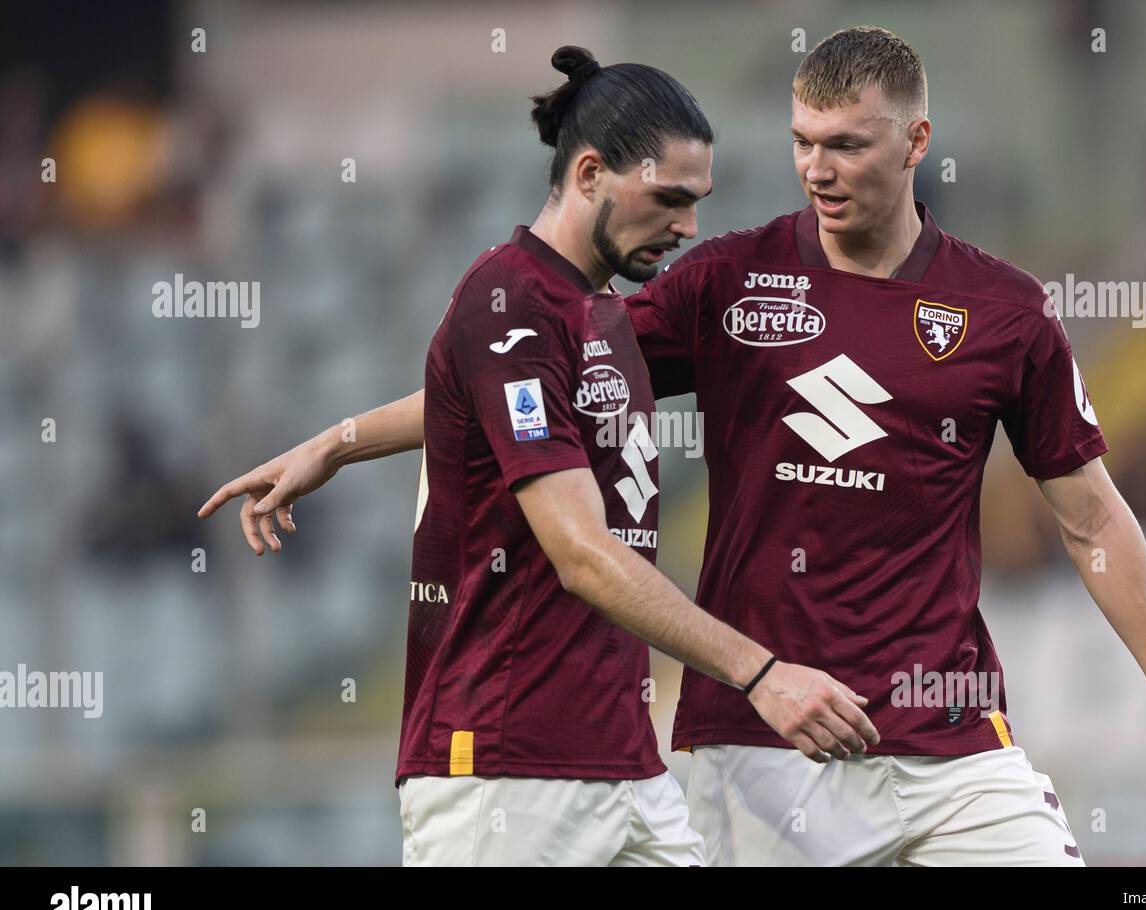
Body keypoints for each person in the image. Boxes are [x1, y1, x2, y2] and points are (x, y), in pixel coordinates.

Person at [204, 27, 1146, 866]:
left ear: (917, 143)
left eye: (847, 146)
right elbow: (528, 382)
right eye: (802, 141)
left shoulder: (1005, 312)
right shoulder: (725, 283)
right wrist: (342, 439)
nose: (817, 170)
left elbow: (1091, 514)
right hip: (756, 742)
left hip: (949, 733)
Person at [199, 46, 877, 867]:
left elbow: (475, 406)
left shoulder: (599, 312)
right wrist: (761, 673)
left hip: (621, 761)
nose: (687, 226)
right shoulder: (511, 299)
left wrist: (337, 443)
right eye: (668, 199)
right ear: (591, 173)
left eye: (697, 203)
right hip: (506, 766)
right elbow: (582, 555)